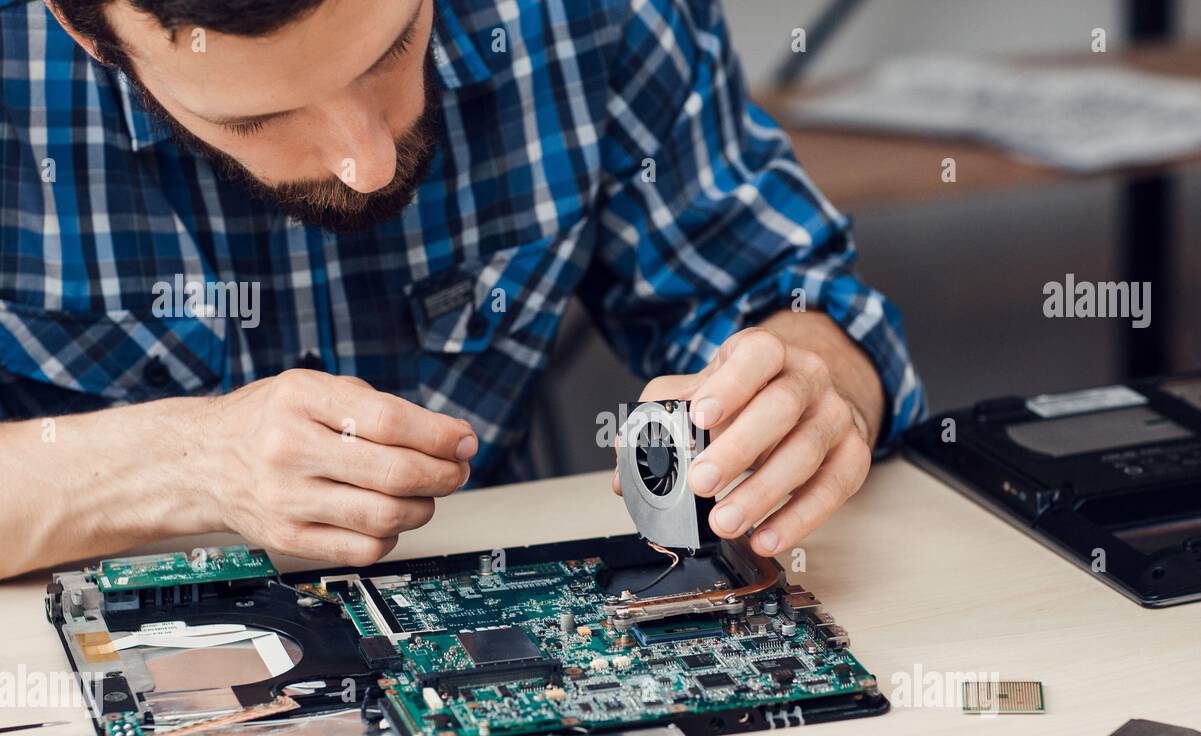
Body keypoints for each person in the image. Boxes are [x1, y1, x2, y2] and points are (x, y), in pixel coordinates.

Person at [0, 0, 923, 580]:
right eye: (259, 116)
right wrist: (183, 461)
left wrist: (809, 385)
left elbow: (788, 296)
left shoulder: (586, 15)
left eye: (391, 49)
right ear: (86, 25)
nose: (364, 162)